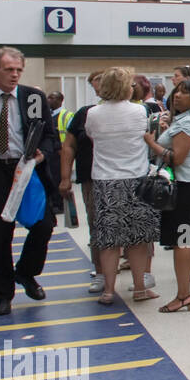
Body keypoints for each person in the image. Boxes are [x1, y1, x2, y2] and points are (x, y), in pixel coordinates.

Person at [0, 47, 59, 317]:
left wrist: (43, 153)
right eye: (8, 70)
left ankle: (26, 273)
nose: (15, 75)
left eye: (18, 70)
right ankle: (3, 296)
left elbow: (51, 136)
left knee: (44, 225)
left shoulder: (33, 98)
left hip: (28, 169)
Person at [82, 68, 160, 307]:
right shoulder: (140, 111)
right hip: (136, 179)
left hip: (105, 181)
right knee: (138, 239)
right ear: (126, 87)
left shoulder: (92, 113)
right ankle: (139, 288)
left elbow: (91, 136)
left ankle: (107, 290)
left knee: (108, 240)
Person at [144, 78, 190, 312]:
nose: (178, 96)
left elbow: (176, 158)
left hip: (184, 185)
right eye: (177, 92)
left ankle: (183, 294)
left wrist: (152, 144)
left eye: (185, 93)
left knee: (182, 238)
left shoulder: (187, 123)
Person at [60, 69, 106, 292]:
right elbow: (69, 145)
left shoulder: (134, 111)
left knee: (126, 227)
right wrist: (65, 177)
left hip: (123, 177)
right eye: (94, 82)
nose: (98, 86)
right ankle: (100, 271)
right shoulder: (84, 113)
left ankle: (141, 274)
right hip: (91, 179)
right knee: (96, 226)